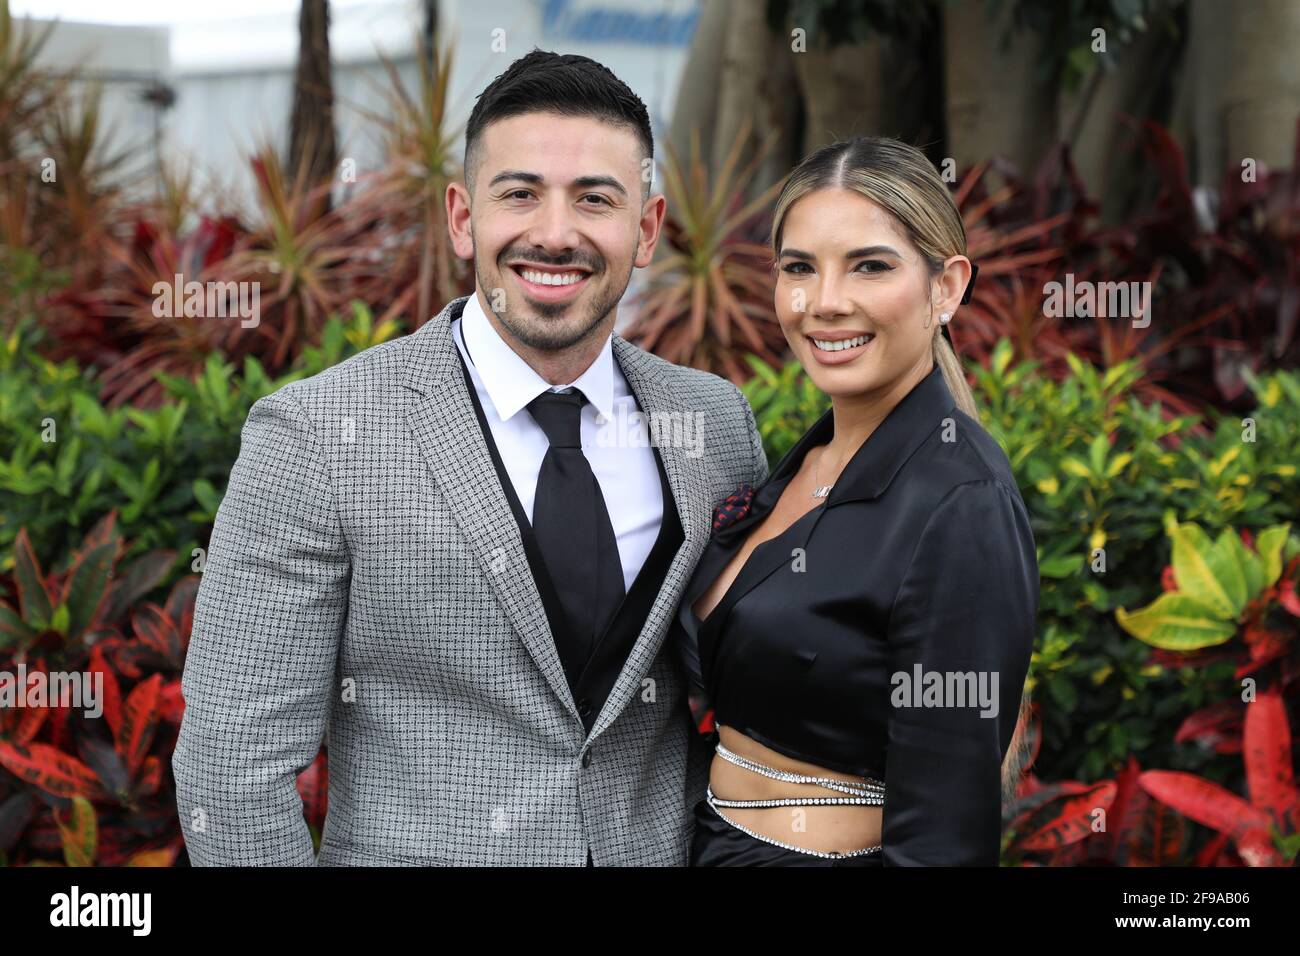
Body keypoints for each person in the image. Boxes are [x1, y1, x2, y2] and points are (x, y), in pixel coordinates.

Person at [172, 50, 766, 866]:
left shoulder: (714, 424)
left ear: (647, 230)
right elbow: (231, 765)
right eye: (519, 194)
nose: (554, 234)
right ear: (462, 217)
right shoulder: (314, 436)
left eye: (595, 200)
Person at [676, 136, 1039, 866]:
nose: (826, 303)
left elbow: (945, 838)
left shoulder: (962, 503)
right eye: (799, 268)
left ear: (947, 287)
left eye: (870, 266)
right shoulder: (801, 462)